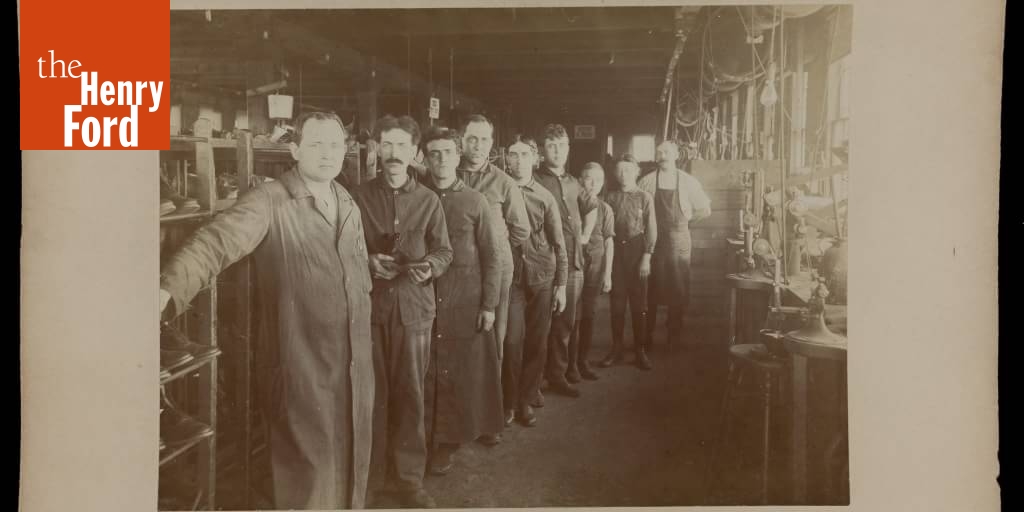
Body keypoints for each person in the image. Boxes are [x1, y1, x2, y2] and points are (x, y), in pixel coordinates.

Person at [158, 111, 374, 510]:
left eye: (334, 145)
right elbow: (215, 242)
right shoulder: (270, 200)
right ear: (295, 149)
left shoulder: (345, 200)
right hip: (302, 365)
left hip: (355, 364)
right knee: (307, 475)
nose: (327, 154)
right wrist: (165, 290)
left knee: (351, 462)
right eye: (316, 144)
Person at [354, 114, 454, 509]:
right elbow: (344, 247)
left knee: (411, 396)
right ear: (377, 149)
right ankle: (372, 479)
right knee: (372, 396)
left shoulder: (428, 200)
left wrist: (431, 265)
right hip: (372, 310)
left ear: (415, 154)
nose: (394, 155)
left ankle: (409, 481)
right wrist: (367, 263)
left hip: (414, 312)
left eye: (402, 147)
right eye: (387, 145)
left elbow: (444, 251)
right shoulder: (357, 196)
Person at [419, 126, 505, 476]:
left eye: (447, 153)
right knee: (426, 371)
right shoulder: (417, 196)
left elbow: (493, 256)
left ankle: (448, 442)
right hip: (424, 298)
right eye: (434, 153)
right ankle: (424, 438)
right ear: (424, 157)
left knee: (458, 373)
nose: (440, 160)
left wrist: (488, 305)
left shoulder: (475, 201)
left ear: (458, 156)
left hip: (464, 299)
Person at [456, 114, 530, 444]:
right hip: (455, 272)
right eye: (472, 138)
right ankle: (458, 418)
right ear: (461, 139)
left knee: (492, 344)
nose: (478, 145)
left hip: (494, 274)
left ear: (492, 143)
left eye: (485, 139)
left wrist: (494, 251)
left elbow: (521, 229)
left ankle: (490, 420)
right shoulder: (445, 174)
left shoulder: (503, 183)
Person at [503, 135, 568, 426]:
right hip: (511, 279)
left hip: (543, 276)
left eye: (524, 155)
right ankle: (509, 401)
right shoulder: (498, 190)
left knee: (537, 342)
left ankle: (526, 399)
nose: (518, 161)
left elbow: (559, 243)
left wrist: (562, 285)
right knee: (513, 341)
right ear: (506, 159)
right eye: (513, 155)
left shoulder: (544, 196)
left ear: (534, 159)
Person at [533, 124, 599, 398]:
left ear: (568, 149)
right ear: (542, 150)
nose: (557, 151)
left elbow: (592, 206)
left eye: (561, 146)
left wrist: (584, 235)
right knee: (539, 327)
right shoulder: (534, 181)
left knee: (564, 325)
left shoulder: (574, 183)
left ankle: (557, 376)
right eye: (551, 145)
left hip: (573, 265)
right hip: (543, 265)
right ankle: (534, 383)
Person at [638, 140, 711, 350]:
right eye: (659, 152)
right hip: (653, 241)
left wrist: (686, 223)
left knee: (677, 291)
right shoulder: (647, 181)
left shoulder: (688, 182)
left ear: (676, 155)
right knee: (650, 289)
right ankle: (646, 338)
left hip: (679, 241)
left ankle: (674, 337)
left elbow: (705, 209)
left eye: (667, 152)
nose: (662, 155)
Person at [601, 155, 658, 369]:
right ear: (615, 174)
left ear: (637, 172)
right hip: (615, 253)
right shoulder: (610, 197)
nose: (624, 175)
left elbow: (651, 229)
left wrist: (647, 257)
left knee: (638, 304)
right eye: (620, 170)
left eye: (628, 170)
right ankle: (616, 349)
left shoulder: (645, 197)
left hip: (637, 253)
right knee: (617, 304)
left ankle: (640, 350)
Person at [572, 163, 615, 381]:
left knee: (588, 314)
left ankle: (583, 361)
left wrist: (607, 275)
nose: (592, 184)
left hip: (595, 265)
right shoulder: (571, 204)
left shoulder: (605, 209)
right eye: (587, 178)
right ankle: (568, 364)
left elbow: (609, 244)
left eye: (597, 180)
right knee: (570, 314)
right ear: (579, 180)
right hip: (573, 263)